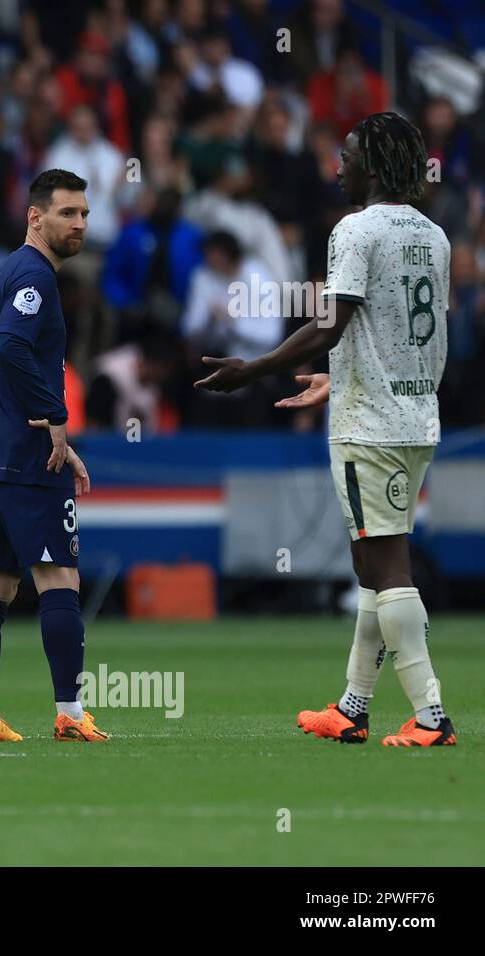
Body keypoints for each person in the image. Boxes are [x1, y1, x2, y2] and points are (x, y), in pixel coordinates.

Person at [197, 112, 456, 747]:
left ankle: (431, 717)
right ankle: (352, 706)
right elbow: (411, 336)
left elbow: (329, 326)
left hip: (369, 428)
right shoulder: (434, 235)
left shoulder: (355, 230)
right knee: (370, 561)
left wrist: (253, 369)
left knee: (387, 565)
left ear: (374, 165)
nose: (336, 167)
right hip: (414, 417)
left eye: (346, 157)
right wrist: (338, 380)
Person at [0, 168, 103, 744]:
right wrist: (57, 419)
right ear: (34, 217)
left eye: (85, 214)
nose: (80, 224)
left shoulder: (4, 275)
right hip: (24, 454)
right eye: (68, 213)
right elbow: (15, 344)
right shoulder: (34, 274)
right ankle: (70, 712)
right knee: (59, 575)